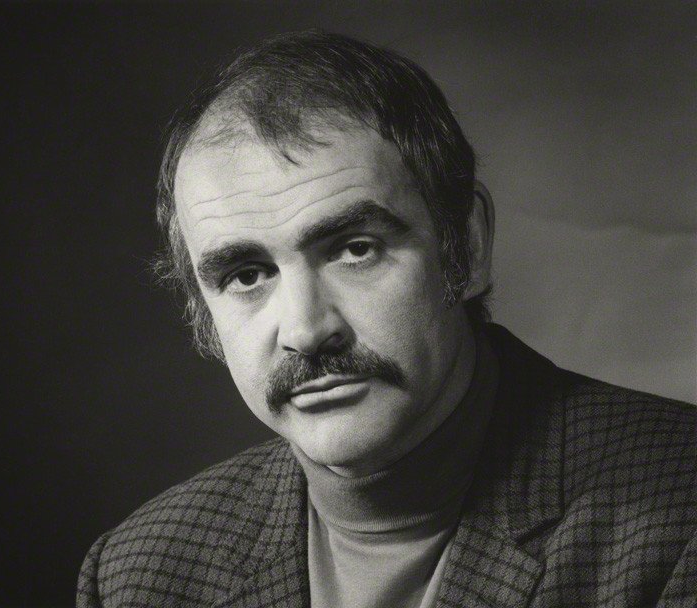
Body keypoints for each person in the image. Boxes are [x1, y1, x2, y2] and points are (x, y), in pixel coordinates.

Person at [76, 31, 695, 607]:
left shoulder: (679, 514)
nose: (305, 332)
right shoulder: (140, 573)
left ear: (467, 246)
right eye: (246, 275)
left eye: (355, 249)